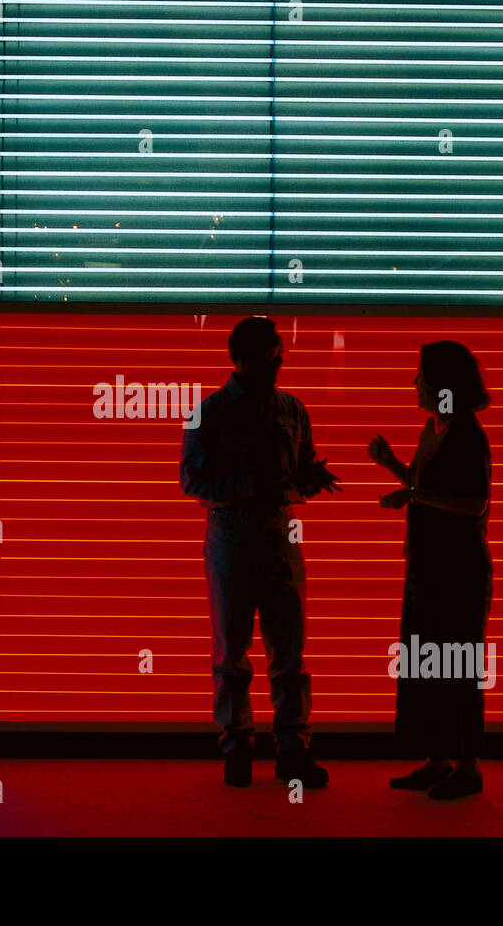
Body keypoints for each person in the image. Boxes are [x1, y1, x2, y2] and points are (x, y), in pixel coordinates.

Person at [181, 317, 341, 788]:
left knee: (288, 647)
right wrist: (253, 487)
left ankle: (291, 747)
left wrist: (309, 479)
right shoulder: (207, 412)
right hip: (231, 537)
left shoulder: (293, 408)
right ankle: (240, 745)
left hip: (280, 534)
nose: (281, 360)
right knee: (233, 649)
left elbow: (303, 465)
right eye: (273, 353)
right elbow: (191, 480)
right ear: (245, 358)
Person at [368, 340, 493, 800]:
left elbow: (472, 502)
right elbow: (427, 487)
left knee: (457, 665)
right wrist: (394, 467)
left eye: (421, 375)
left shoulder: (467, 434)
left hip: (458, 571)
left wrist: (412, 495)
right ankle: (440, 759)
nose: (414, 383)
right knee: (429, 665)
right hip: (426, 568)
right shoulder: (433, 427)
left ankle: (467, 766)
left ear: (443, 383)